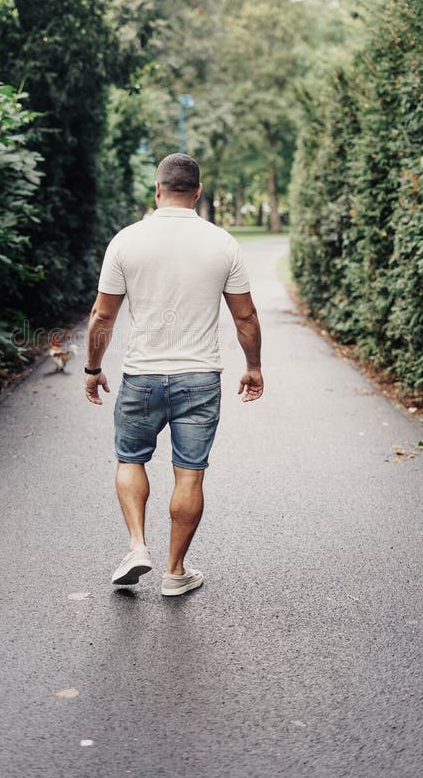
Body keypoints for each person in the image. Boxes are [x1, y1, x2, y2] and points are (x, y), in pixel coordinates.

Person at [84, 153, 264, 596]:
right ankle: (175, 572)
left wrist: (92, 368)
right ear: (198, 192)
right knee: (189, 474)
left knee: (130, 460)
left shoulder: (126, 241)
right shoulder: (222, 243)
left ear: (157, 189)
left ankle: (136, 545)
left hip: (141, 376)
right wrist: (254, 367)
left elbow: (101, 316)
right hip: (200, 377)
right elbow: (246, 318)